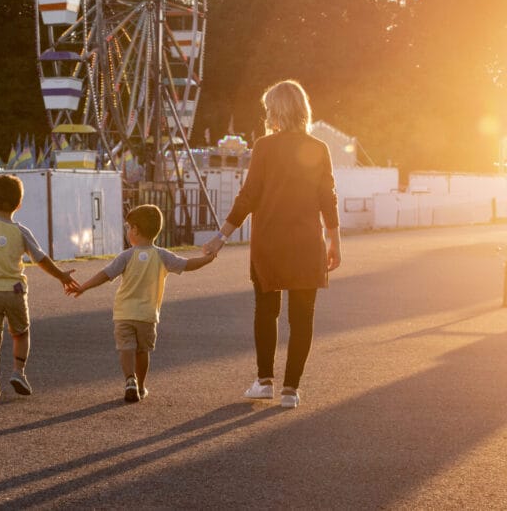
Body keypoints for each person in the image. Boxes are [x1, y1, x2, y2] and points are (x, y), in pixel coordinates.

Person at [203, 80, 341, 409]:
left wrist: (221, 236)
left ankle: (264, 382)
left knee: (266, 311)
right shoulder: (319, 148)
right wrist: (335, 240)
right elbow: (328, 198)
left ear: (276, 110)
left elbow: (248, 196)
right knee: (302, 317)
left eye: (268, 107)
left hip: (269, 243)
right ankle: (291, 390)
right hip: (308, 243)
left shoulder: (264, 147)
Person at [70, 204, 216, 402]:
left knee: (126, 348)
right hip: (147, 315)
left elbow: (105, 275)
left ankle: (129, 379)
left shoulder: (126, 256)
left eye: (129, 227)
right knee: (143, 351)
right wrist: (207, 260)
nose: (128, 231)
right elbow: (187, 265)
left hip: (123, 313)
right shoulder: (163, 256)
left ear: (135, 230)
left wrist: (83, 286)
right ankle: (141, 385)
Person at [0, 174, 78, 399]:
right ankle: (18, 371)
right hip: (16, 291)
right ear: (18, 205)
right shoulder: (21, 231)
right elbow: (41, 259)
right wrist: (61, 276)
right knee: (21, 333)